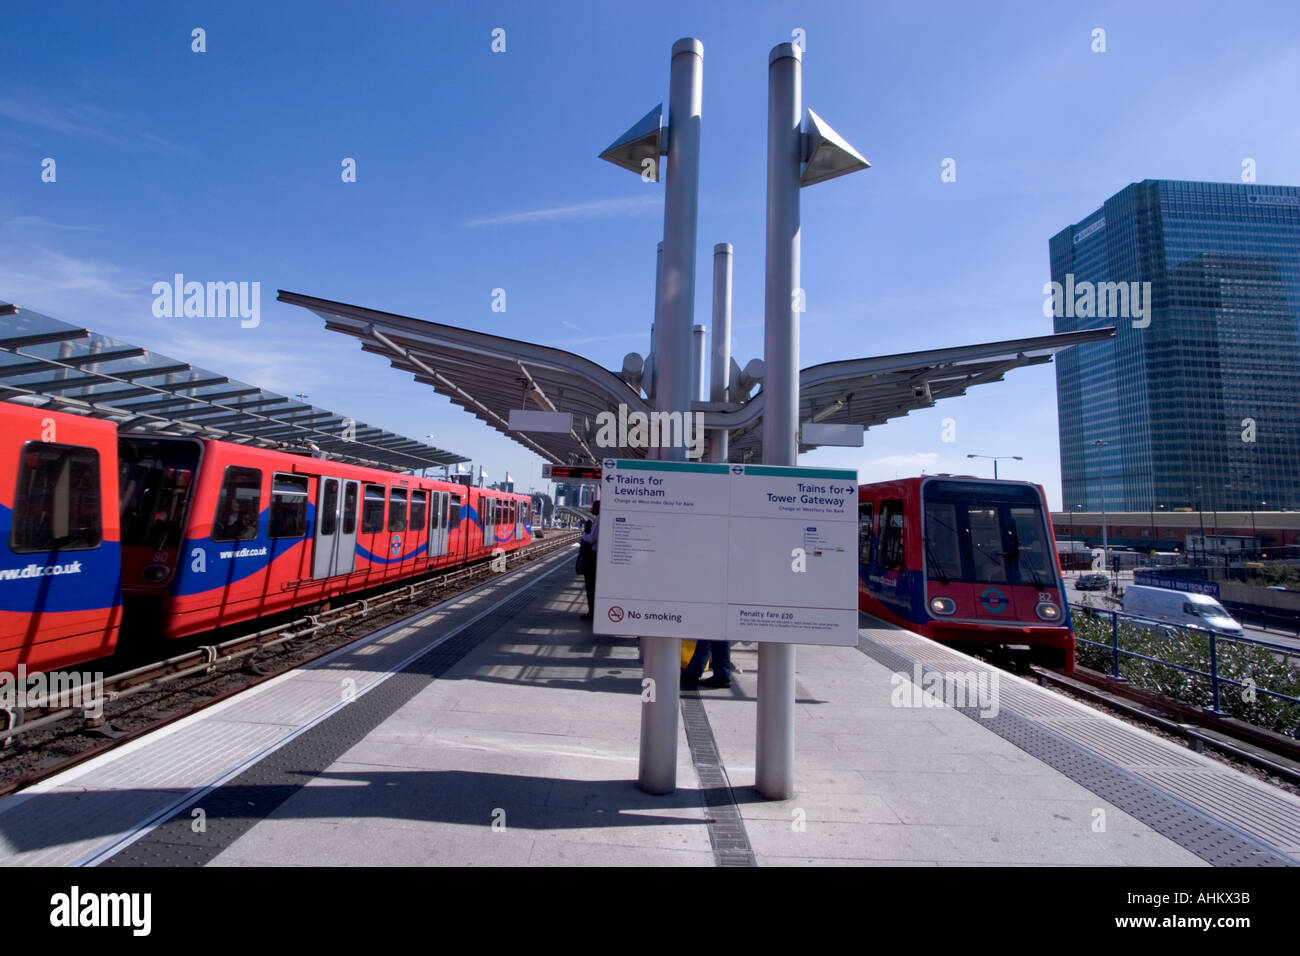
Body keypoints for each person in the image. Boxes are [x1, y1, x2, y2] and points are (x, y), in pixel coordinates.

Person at [579, 500, 600, 620]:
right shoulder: (598, 519)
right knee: (591, 585)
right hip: (595, 555)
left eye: (593, 507)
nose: (591, 509)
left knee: (590, 585)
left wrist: (584, 535)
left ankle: (592, 612)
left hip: (594, 556)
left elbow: (591, 538)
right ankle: (592, 610)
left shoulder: (598, 520)